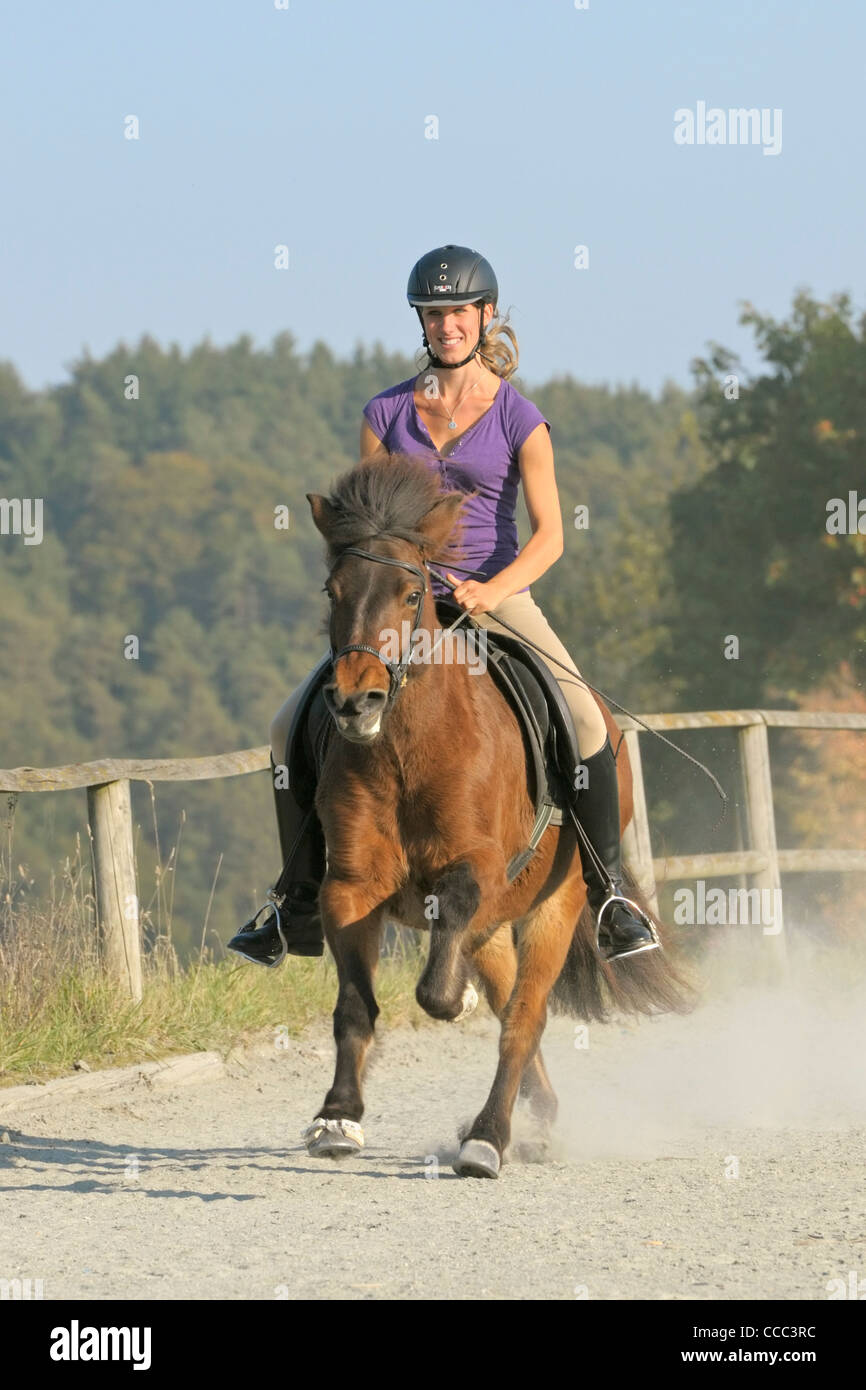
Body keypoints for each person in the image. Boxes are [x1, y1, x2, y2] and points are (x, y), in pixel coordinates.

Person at [227, 244, 657, 968]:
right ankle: (294, 899)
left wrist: (493, 588)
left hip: (496, 594)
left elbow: (552, 537)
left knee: (585, 718)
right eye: (434, 313)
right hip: (401, 608)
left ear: (485, 317)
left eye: (459, 311)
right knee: (283, 727)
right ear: (421, 323)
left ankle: (610, 893)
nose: (447, 324)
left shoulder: (523, 419)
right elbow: (364, 526)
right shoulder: (385, 412)